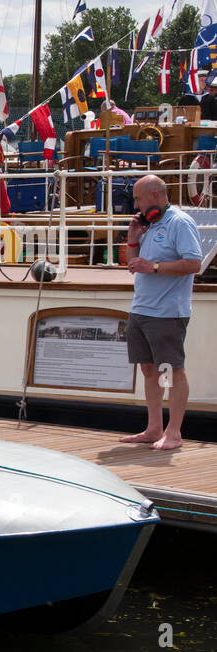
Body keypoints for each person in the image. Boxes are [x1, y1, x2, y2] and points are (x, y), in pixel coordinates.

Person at [117, 174, 203, 450]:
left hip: (167, 312)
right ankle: (154, 429)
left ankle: (174, 433)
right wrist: (133, 239)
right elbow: (133, 265)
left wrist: (153, 267)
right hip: (142, 307)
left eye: (139, 199)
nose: (137, 206)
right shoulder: (149, 224)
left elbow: (193, 264)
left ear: (155, 196)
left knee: (171, 369)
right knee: (148, 368)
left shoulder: (179, 223)